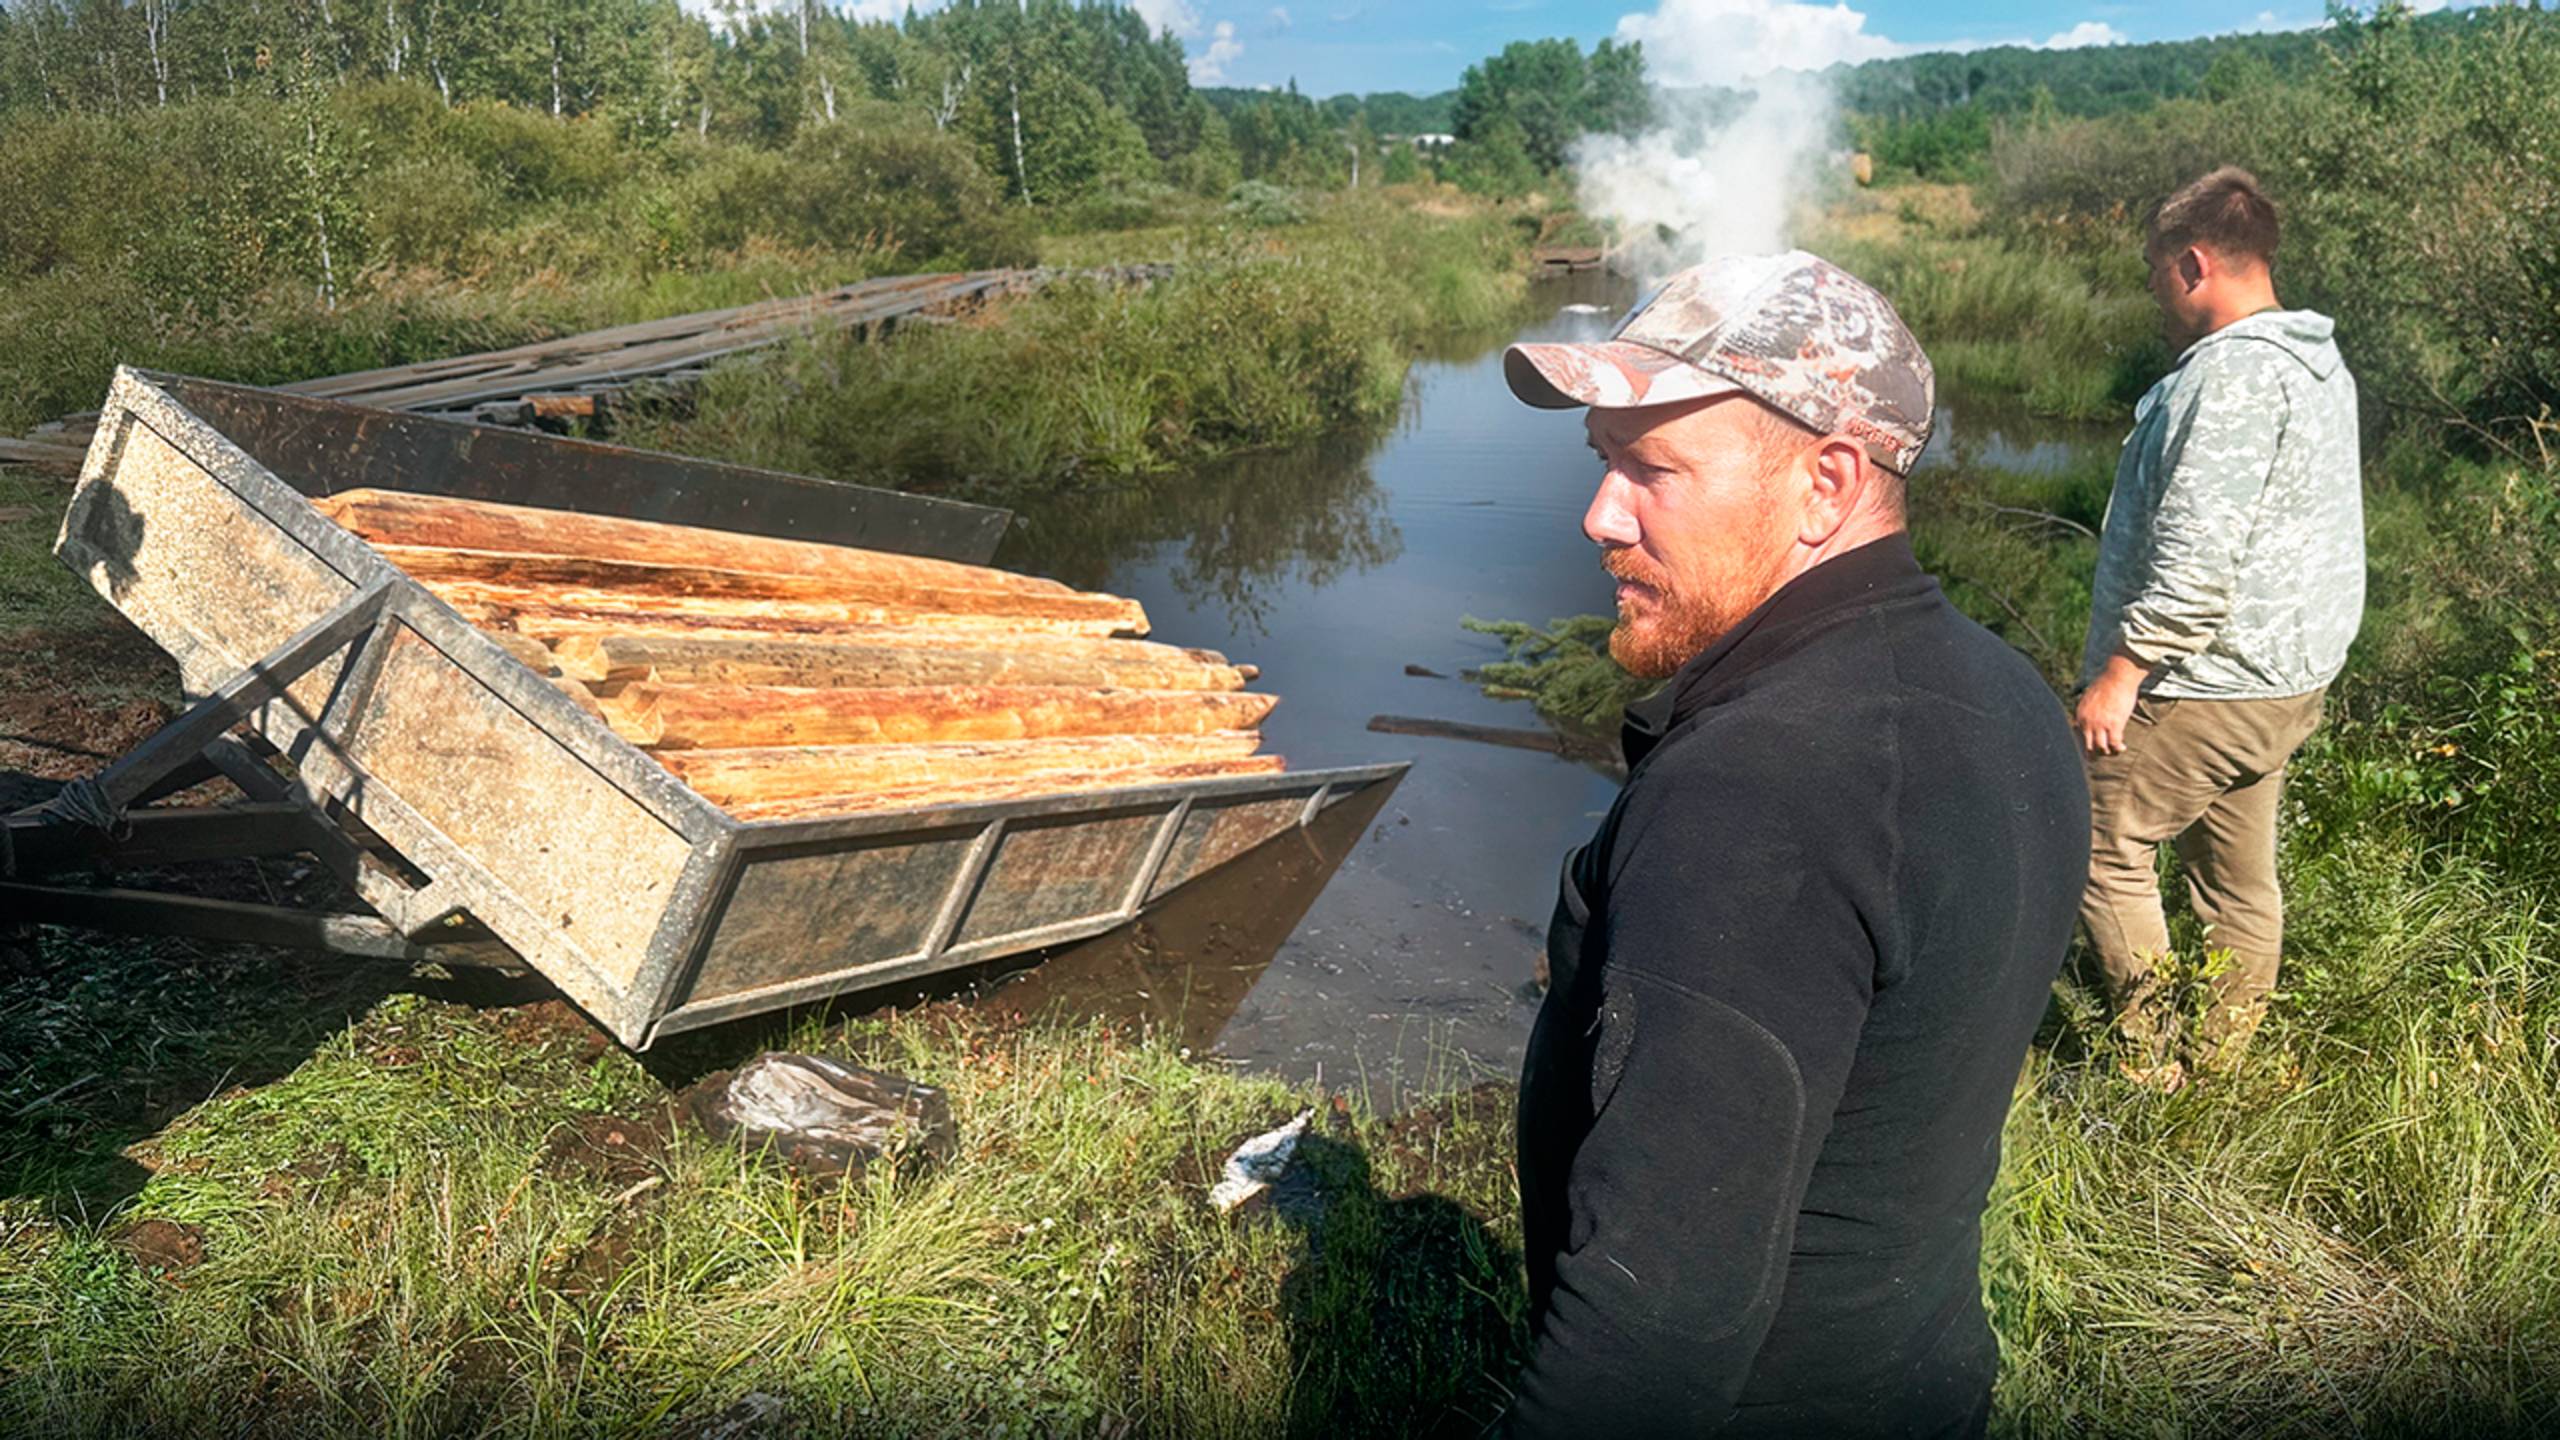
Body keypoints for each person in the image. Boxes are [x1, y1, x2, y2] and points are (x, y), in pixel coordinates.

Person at [1496, 251, 2088, 1436]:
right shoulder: (2006, 695)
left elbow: (1651, 1325)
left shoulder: (1755, 793)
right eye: (1603, 462)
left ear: (1825, 484)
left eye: (1652, 469)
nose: (1600, 515)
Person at [2074, 168, 2364, 1086]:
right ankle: (2223, 1071)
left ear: (2194, 263)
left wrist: (2123, 671)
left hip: (2203, 681)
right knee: (2235, 875)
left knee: (2095, 843)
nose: (2156, 294)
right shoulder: (2315, 360)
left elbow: (2197, 562)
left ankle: (2153, 1075)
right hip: (2284, 681)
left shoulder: (2232, 376)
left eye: (2158, 272)